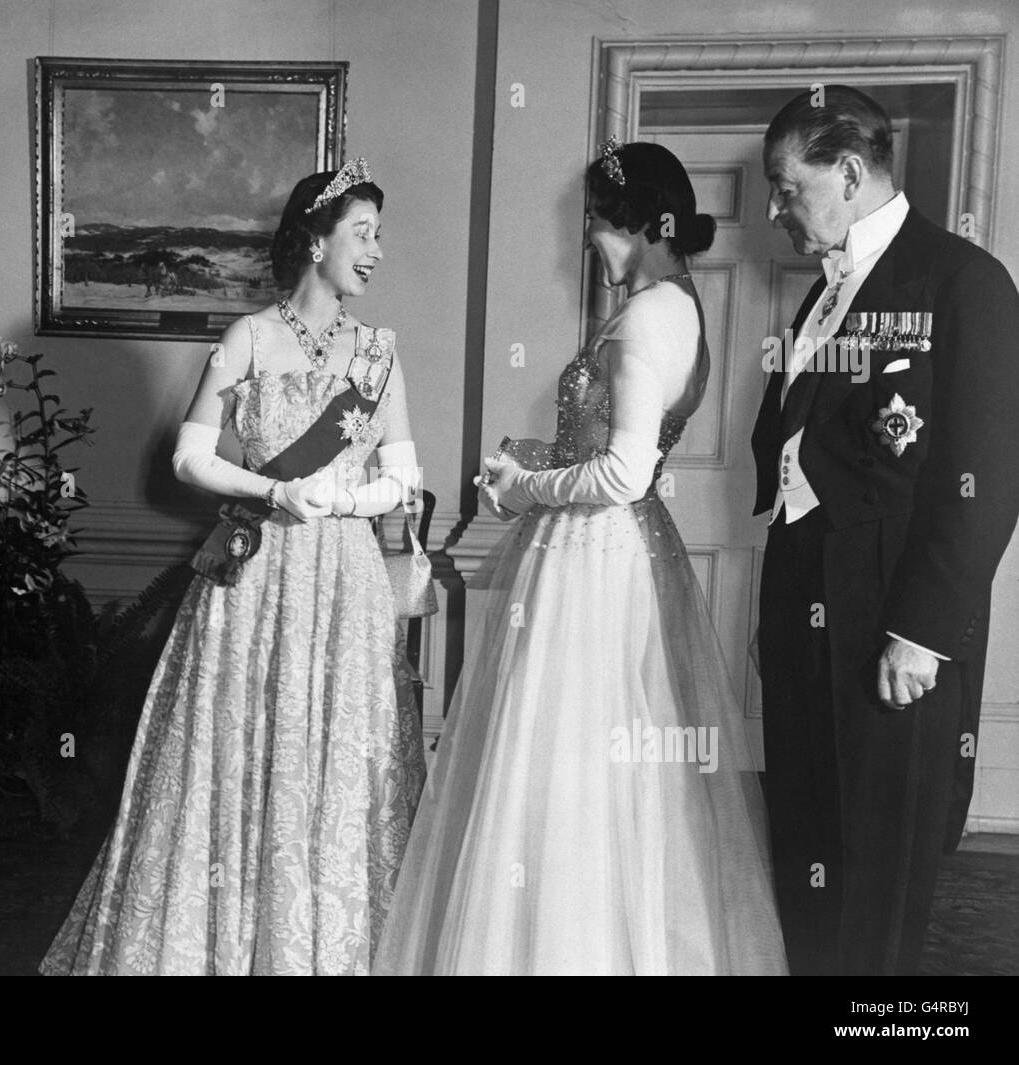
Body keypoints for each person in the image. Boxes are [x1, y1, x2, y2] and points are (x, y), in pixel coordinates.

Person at [373, 141, 786, 975]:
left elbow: (627, 471)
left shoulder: (647, 318)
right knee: (599, 767)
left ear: (640, 224)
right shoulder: (668, 307)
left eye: (594, 222)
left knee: (565, 765)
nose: (586, 242)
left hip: (594, 565)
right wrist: (525, 456)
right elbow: (598, 440)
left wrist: (524, 486)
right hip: (607, 555)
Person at [41, 159, 426, 975]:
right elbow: (188, 458)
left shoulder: (381, 356)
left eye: (378, 236)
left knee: (333, 758)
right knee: (238, 753)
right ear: (314, 240)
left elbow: (405, 478)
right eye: (362, 233)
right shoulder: (248, 337)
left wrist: (345, 501)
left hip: (344, 583)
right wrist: (276, 487)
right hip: (252, 577)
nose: (376, 251)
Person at [752, 86, 1019, 975]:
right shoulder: (824, 294)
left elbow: (984, 478)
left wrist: (922, 632)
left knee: (877, 869)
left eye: (788, 188)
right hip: (807, 613)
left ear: (852, 172)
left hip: (889, 625)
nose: (776, 210)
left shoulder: (961, 280)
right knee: (807, 846)